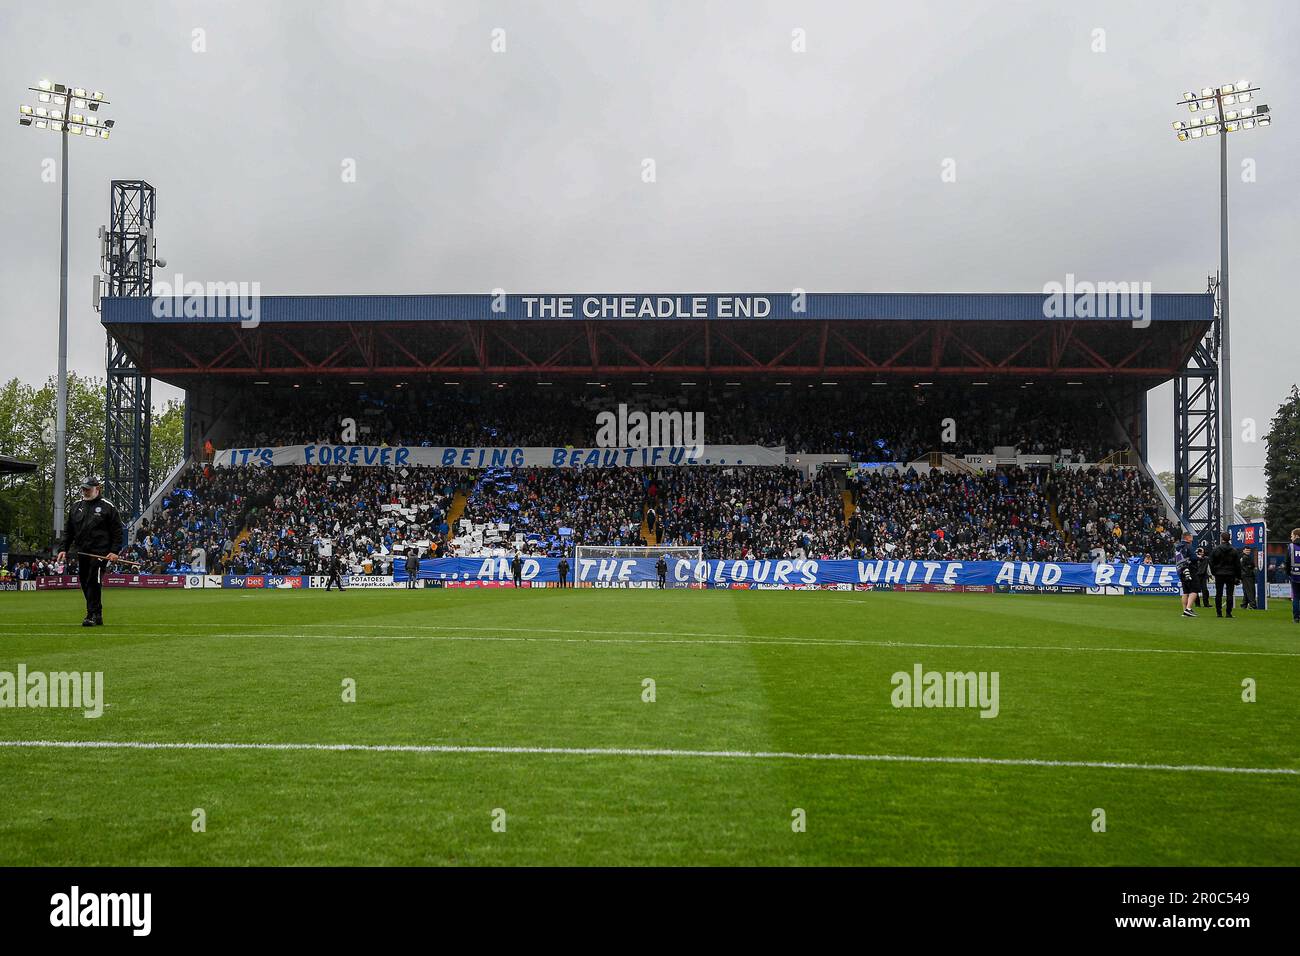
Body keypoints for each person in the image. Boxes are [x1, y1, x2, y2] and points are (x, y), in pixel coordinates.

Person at [55, 477, 123, 627]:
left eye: (88, 489)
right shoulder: (75, 507)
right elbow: (68, 532)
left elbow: (118, 532)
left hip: (101, 553)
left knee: (93, 579)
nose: (85, 491)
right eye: (83, 489)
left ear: (97, 488)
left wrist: (114, 551)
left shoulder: (108, 507)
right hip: (82, 552)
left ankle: (91, 614)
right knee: (85, 582)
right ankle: (97, 613)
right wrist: (63, 549)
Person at [1209, 532, 1241, 619]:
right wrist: (1238, 576)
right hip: (1230, 574)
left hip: (1219, 573)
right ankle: (1228, 613)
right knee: (1229, 594)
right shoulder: (1234, 550)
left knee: (1218, 594)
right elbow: (1237, 565)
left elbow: (1211, 562)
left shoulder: (1216, 549)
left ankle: (1219, 612)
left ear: (1221, 538)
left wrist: (1214, 572)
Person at [1177, 550, 1199, 618]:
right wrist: (1198, 557)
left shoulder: (1178, 550)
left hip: (1181, 571)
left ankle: (1185, 610)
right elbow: (1193, 558)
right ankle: (1188, 609)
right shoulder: (1187, 547)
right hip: (1189, 571)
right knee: (1194, 590)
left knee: (1185, 592)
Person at [1285, 528, 1300, 624]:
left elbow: (1287, 561)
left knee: (1296, 597)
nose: (1291, 538)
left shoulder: (1291, 547)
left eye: (1292, 536)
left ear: (1296, 536)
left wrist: (1288, 573)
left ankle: (1296, 617)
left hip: (1294, 575)